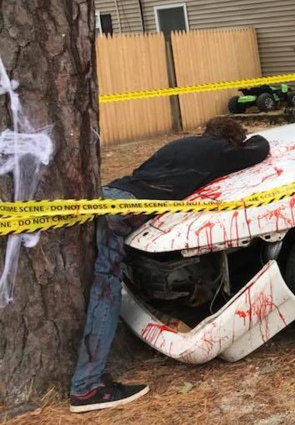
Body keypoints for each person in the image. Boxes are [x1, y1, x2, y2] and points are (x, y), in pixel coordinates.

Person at [69, 117, 270, 413]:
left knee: (104, 275)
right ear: (230, 140)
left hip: (111, 194)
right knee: (106, 284)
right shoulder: (220, 151)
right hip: (127, 208)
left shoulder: (178, 144)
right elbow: (259, 149)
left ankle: (88, 380)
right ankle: (87, 387)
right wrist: (246, 140)